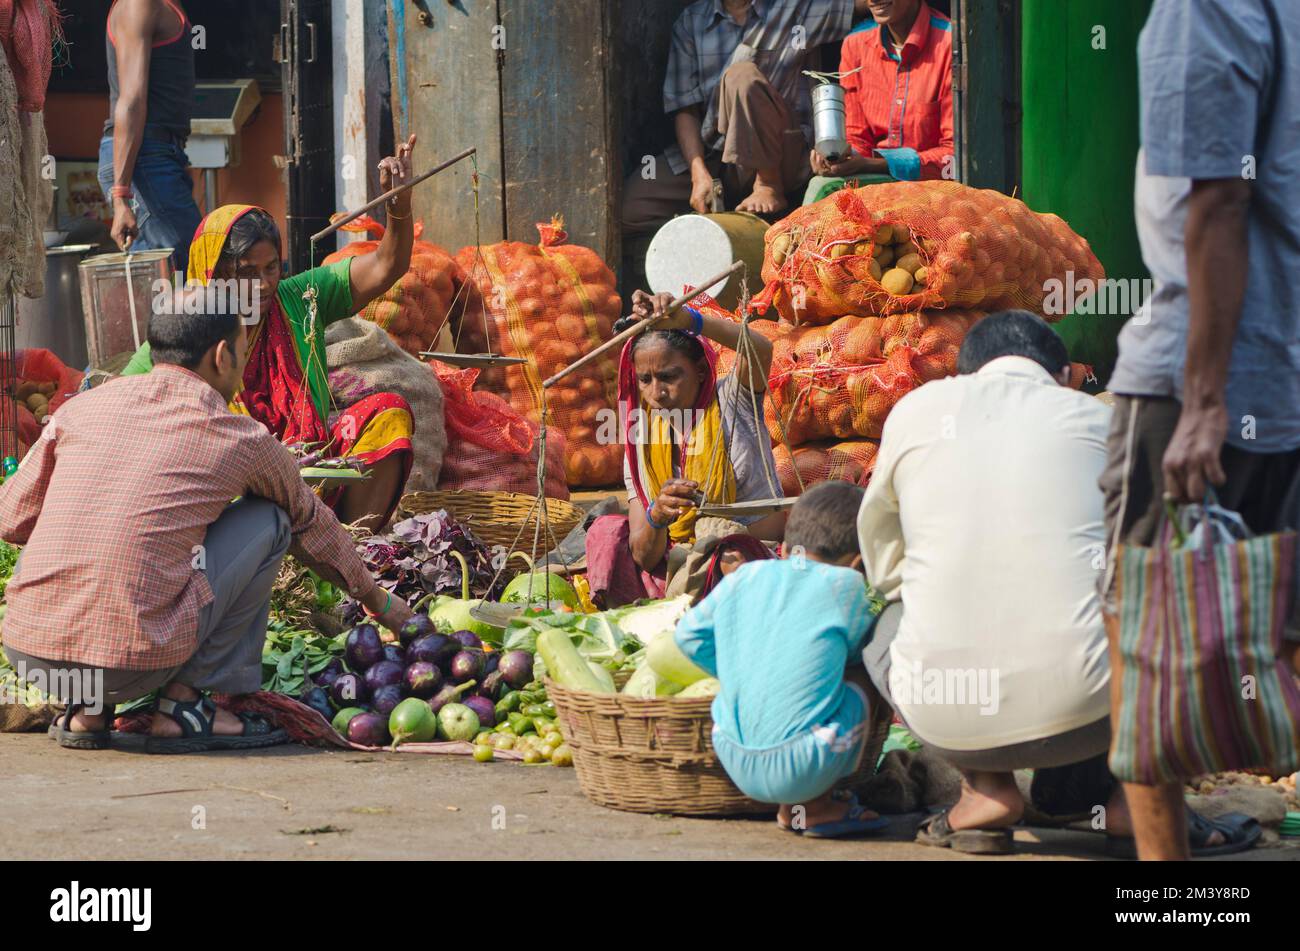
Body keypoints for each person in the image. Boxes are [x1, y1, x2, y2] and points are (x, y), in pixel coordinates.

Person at [857, 311, 1259, 856]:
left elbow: (882, 560)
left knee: (889, 620)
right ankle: (1129, 799)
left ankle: (986, 790)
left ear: (964, 372)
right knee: (1137, 602)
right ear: (1067, 376)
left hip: (947, 715)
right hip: (1091, 713)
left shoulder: (915, 411)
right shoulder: (1103, 422)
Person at [0, 287, 413, 754]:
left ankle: (86, 712)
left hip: (28, 652)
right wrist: (378, 601)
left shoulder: (79, 409)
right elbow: (309, 523)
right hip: (132, 662)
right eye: (241, 350)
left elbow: (12, 516)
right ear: (221, 355)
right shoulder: (239, 437)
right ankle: (184, 709)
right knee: (272, 519)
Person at [1101, 0, 1300, 861]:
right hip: (1283, 363)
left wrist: (1207, 399)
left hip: (1207, 370)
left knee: (1142, 626)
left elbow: (1219, 195)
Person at [121, 137, 422, 532]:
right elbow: (120, 403)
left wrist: (398, 206)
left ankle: (350, 550)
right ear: (212, 272)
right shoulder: (185, 331)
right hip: (226, 492)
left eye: (270, 268)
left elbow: (386, 266)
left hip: (307, 476)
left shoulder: (298, 298)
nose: (263, 285)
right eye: (246, 272)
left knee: (388, 413)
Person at [675, 481, 891, 836]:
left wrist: (736, 666)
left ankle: (792, 809)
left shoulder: (745, 575)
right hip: (804, 764)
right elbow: (853, 655)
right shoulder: (848, 586)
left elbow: (687, 635)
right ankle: (817, 807)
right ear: (857, 564)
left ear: (786, 549)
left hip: (731, 753)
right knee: (865, 670)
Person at [584, 290, 783, 608]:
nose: (656, 392)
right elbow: (644, 555)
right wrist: (658, 514)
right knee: (606, 533)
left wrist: (691, 320)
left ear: (700, 371)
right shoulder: (642, 440)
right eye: (645, 379)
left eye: (668, 376)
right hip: (677, 563)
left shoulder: (733, 402)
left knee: (727, 557)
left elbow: (761, 348)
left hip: (747, 557)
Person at [622, 0, 872, 238]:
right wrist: (699, 175)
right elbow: (685, 109)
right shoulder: (691, 23)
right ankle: (725, 231)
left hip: (783, 155)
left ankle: (767, 185)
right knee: (633, 208)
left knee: (741, 75)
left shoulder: (796, 8)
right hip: (719, 157)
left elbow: (866, 4)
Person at [805, 0, 954, 204]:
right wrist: (840, 157)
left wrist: (875, 164)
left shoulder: (950, 44)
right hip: (874, 186)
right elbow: (857, 136)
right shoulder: (855, 45)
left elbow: (953, 156)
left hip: (937, 191)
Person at [98, 0, 203, 272]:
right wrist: (121, 195)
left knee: (178, 276)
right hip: (142, 158)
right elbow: (130, 100)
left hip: (157, 154)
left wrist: (176, 155)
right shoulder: (139, 4)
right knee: (192, 268)